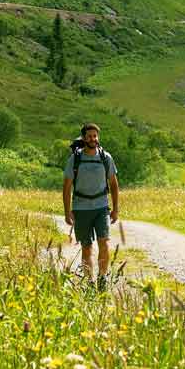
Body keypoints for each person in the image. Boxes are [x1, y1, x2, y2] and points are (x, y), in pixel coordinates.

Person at [63, 122, 120, 289]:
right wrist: (67, 212)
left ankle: (102, 279)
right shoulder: (75, 159)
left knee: (104, 242)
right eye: (89, 136)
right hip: (81, 209)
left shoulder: (105, 158)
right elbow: (66, 187)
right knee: (86, 247)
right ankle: (89, 282)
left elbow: (114, 185)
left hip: (101, 207)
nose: (93, 139)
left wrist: (115, 209)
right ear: (83, 138)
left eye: (95, 136)